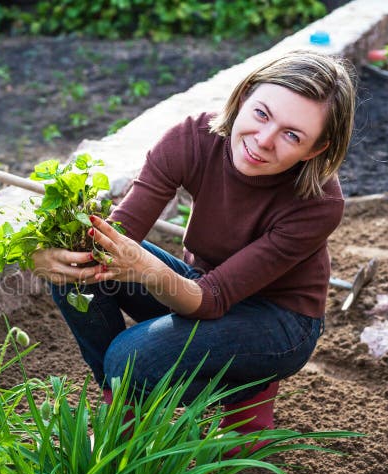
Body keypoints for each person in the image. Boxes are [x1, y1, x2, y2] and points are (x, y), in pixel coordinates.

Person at [31, 50, 357, 451]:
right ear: (244, 97)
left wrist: (148, 270)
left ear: (314, 149)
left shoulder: (318, 202)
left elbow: (213, 299)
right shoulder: (192, 138)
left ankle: (242, 389)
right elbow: (120, 233)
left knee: (131, 358)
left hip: (277, 322)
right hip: (200, 289)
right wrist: (47, 257)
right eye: (261, 114)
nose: (263, 141)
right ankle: (128, 411)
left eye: (292, 135)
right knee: (78, 275)